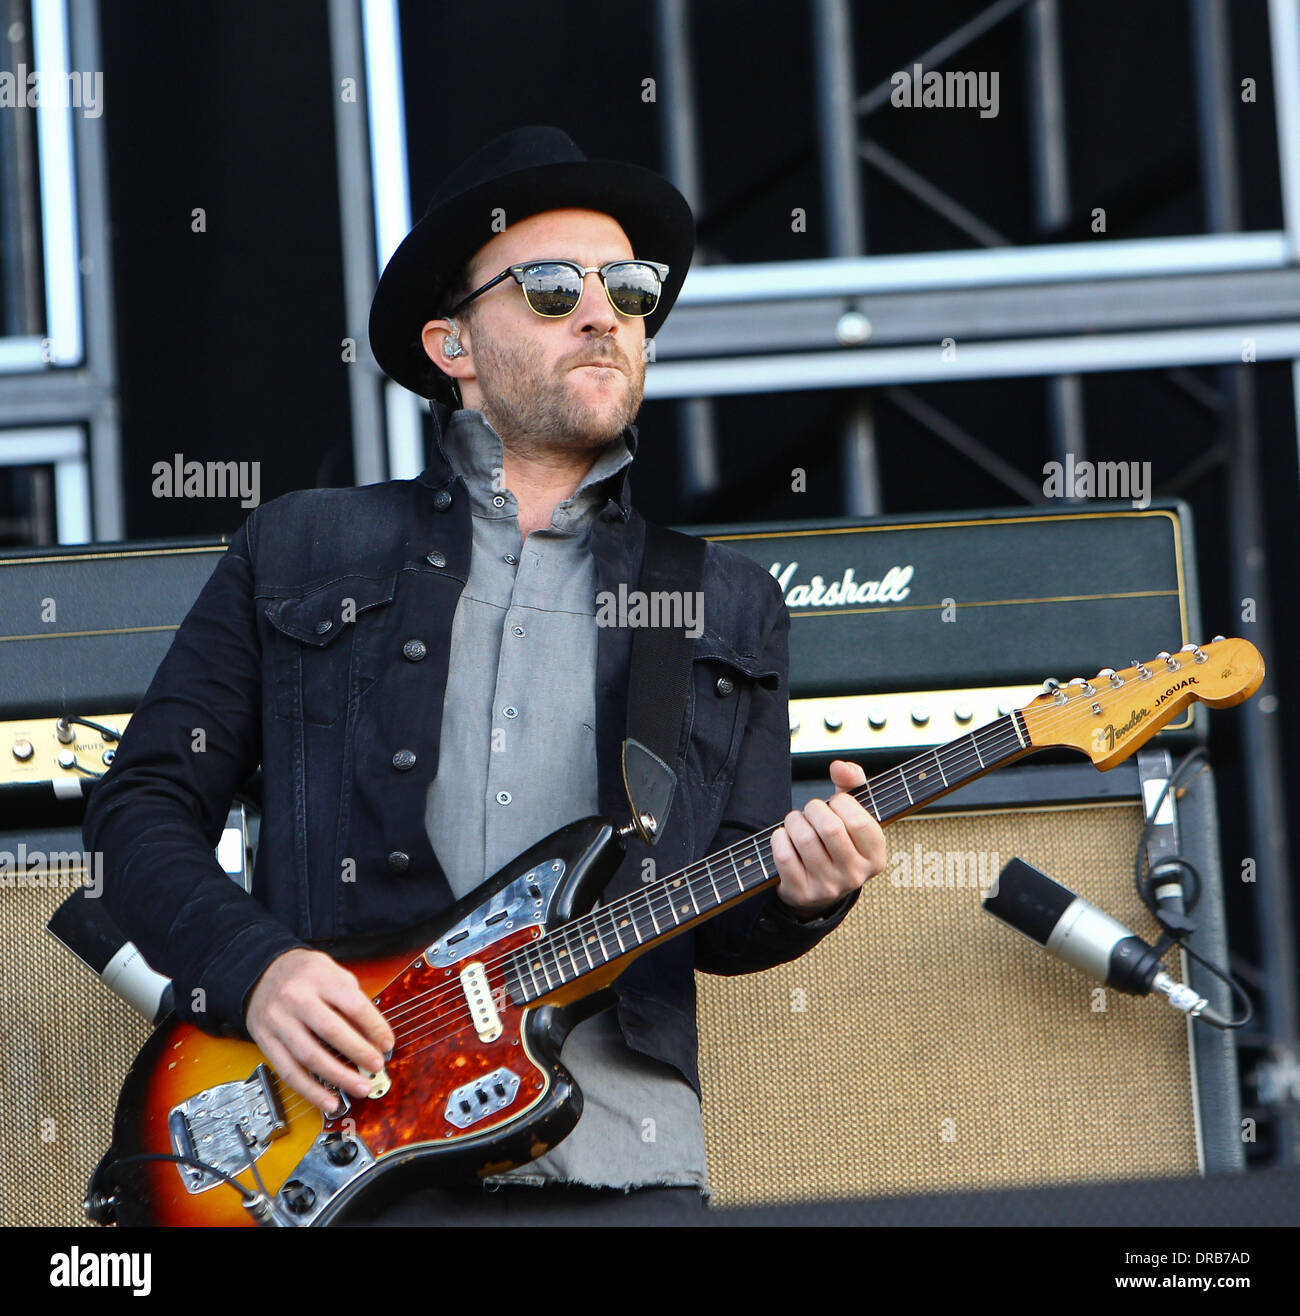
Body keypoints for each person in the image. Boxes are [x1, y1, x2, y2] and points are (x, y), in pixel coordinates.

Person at [84, 126, 887, 1225]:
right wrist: (257, 967)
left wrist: (805, 893)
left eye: (631, 289)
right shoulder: (302, 546)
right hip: (336, 1142)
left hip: (622, 1154)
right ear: (452, 345)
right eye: (553, 288)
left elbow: (725, 910)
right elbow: (142, 807)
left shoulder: (723, 598)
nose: (605, 313)